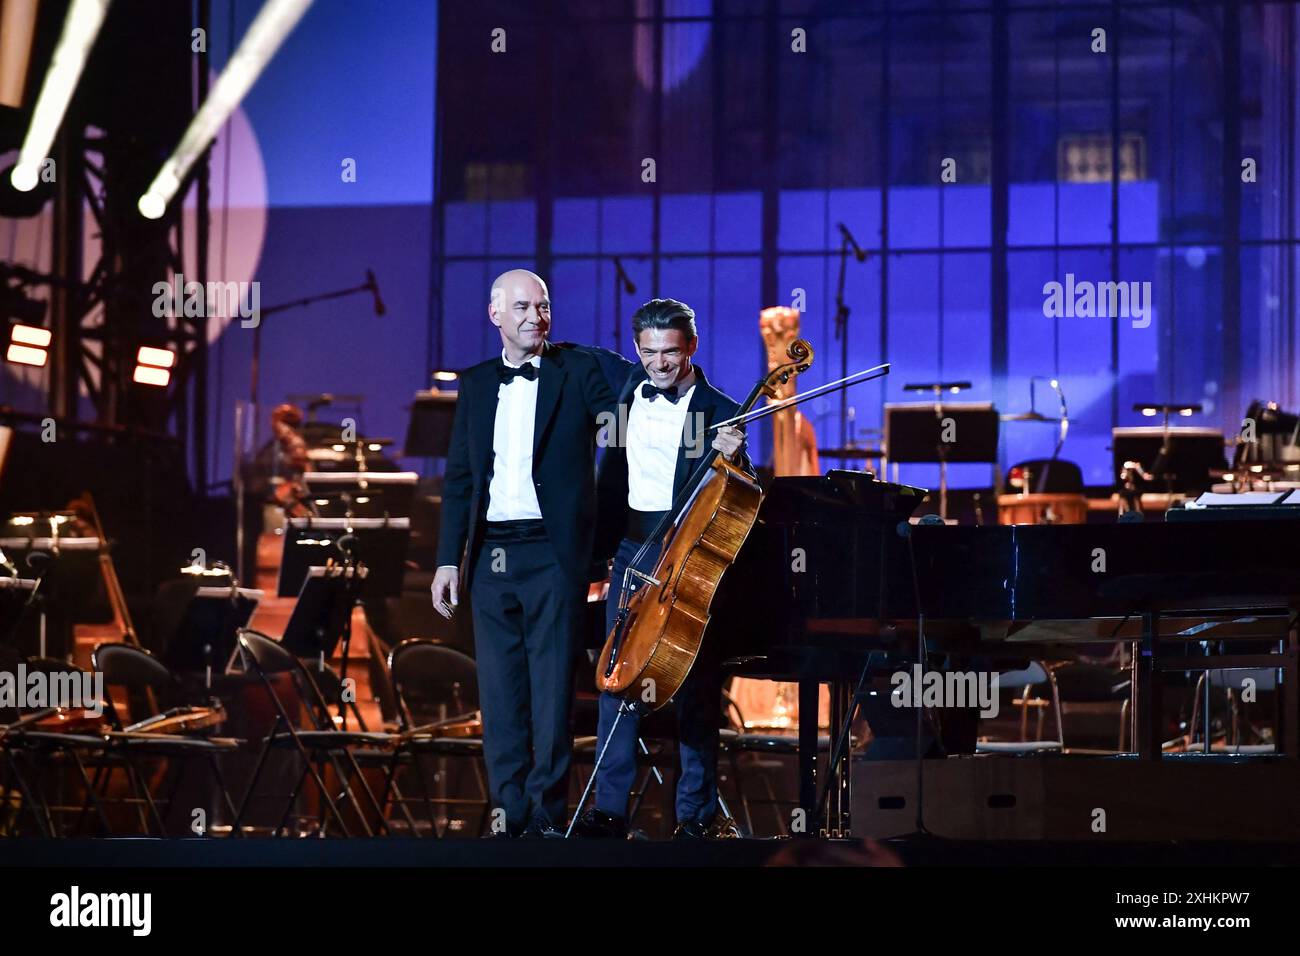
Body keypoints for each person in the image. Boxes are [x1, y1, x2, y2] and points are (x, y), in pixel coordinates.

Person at [431, 269, 616, 838]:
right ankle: (505, 814)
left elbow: (635, 405)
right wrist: (446, 559)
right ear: (495, 315)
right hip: (490, 558)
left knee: (553, 693)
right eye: (522, 307)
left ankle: (545, 818)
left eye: (543, 306)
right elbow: (460, 478)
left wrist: (600, 537)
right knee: (500, 692)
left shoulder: (578, 369)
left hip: (552, 554)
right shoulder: (477, 382)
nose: (535, 316)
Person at [572, 297, 749, 839]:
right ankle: (609, 811)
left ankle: (694, 814)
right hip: (631, 551)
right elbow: (578, 356)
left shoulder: (721, 410)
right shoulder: (628, 387)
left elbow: (742, 492)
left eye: (669, 353)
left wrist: (735, 456)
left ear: (691, 346)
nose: (659, 365)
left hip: (688, 559)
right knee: (617, 680)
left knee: (694, 684)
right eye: (648, 354)